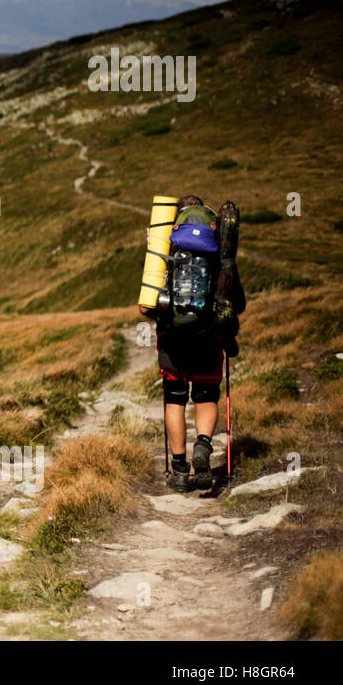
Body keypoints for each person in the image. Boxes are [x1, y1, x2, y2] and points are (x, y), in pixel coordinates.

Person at [138, 195, 225, 492]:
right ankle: (202, 445)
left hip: (172, 341)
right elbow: (234, 302)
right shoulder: (217, 250)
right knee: (206, 396)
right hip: (209, 339)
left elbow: (145, 307)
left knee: (175, 400)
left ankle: (178, 472)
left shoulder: (166, 247)